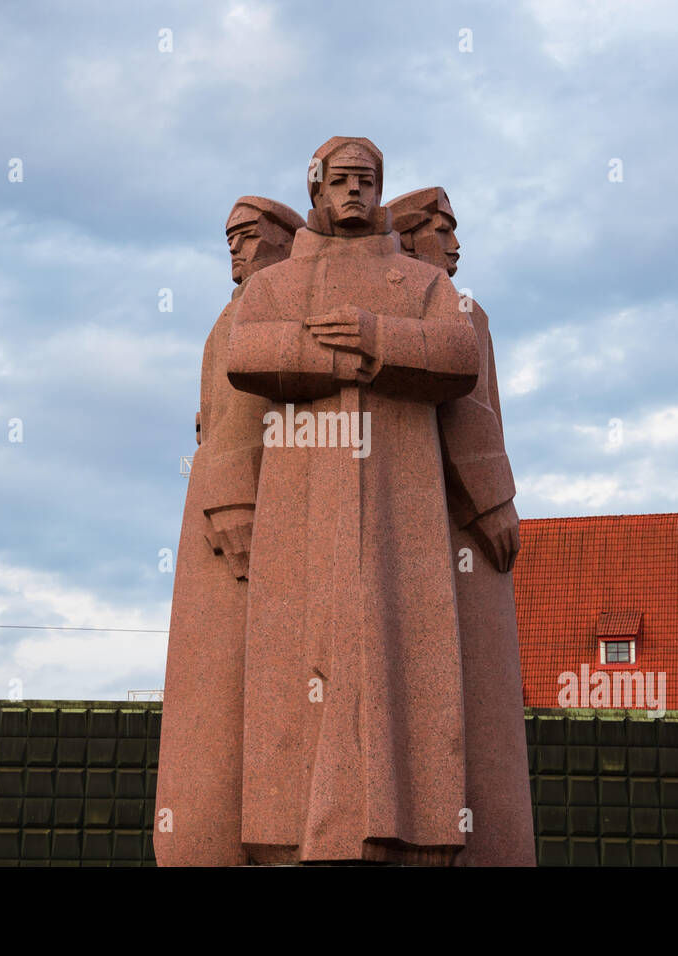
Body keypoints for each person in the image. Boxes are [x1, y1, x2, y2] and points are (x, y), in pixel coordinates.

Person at [226, 137, 480, 864]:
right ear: (316, 190)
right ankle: (295, 829)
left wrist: (377, 338)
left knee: (402, 657)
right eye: (341, 182)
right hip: (299, 510)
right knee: (301, 660)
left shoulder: (419, 284)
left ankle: (417, 823)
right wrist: (335, 356)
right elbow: (246, 354)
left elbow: (459, 357)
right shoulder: (278, 285)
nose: (355, 194)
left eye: (367, 182)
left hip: (405, 513)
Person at [387, 186, 536, 866]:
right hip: (457, 531)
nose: (455, 244)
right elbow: (472, 415)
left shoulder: (412, 316)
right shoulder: (456, 312)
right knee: (477, 690)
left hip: (417, 526)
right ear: (413, 239)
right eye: (443, 230)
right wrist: (494, 502)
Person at [154, 196, 304, 867]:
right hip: (225, 515)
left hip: (236, 512)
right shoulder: (244, 308)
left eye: (246, 238)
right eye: (230, 240)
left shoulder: (265, 304)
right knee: (219, 685)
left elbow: (245, 415)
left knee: (238, 682)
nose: (235, 252)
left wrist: (232, 500)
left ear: (282, 241)